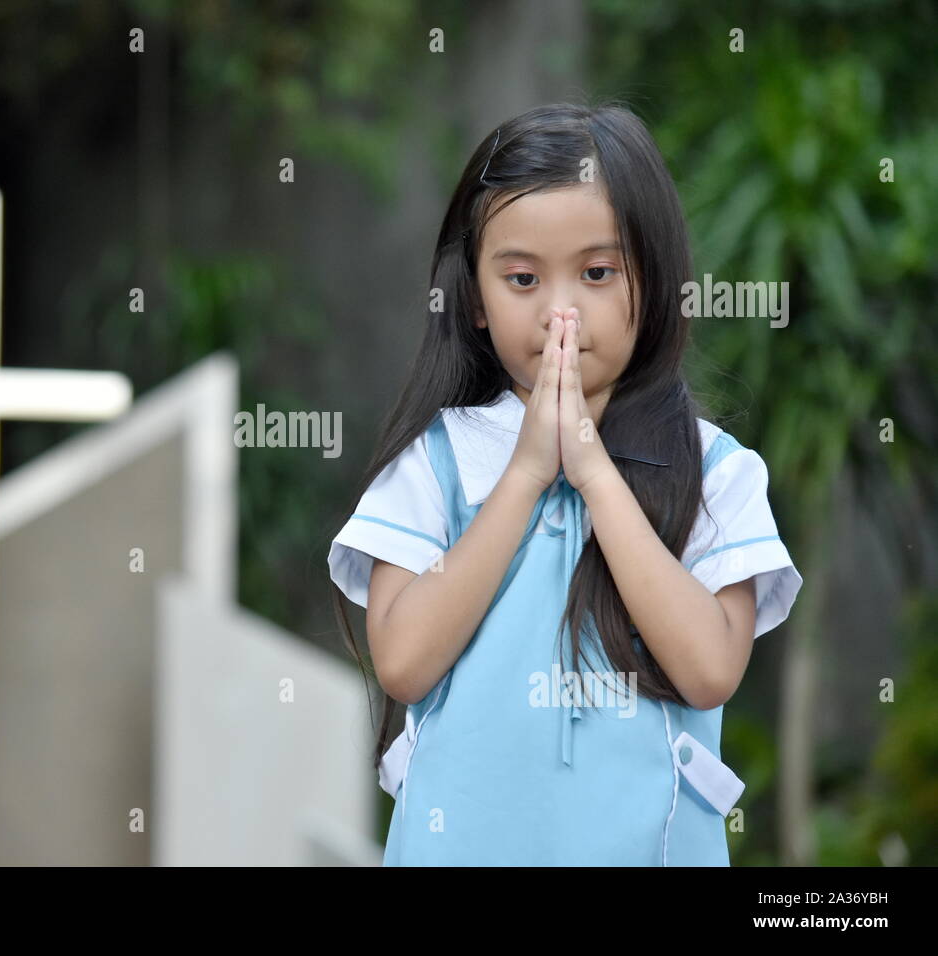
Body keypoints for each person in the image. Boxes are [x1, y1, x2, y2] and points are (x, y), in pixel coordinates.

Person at [327, 103, 803, 865]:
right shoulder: (433, 464)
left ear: (655, 279)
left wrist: (592, 473)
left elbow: (711, 670)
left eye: (598, 272)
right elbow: (404, 662)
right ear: (475, 297)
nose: (561, 311)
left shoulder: (716, 470)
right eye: (521, 278)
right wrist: (525, 473)